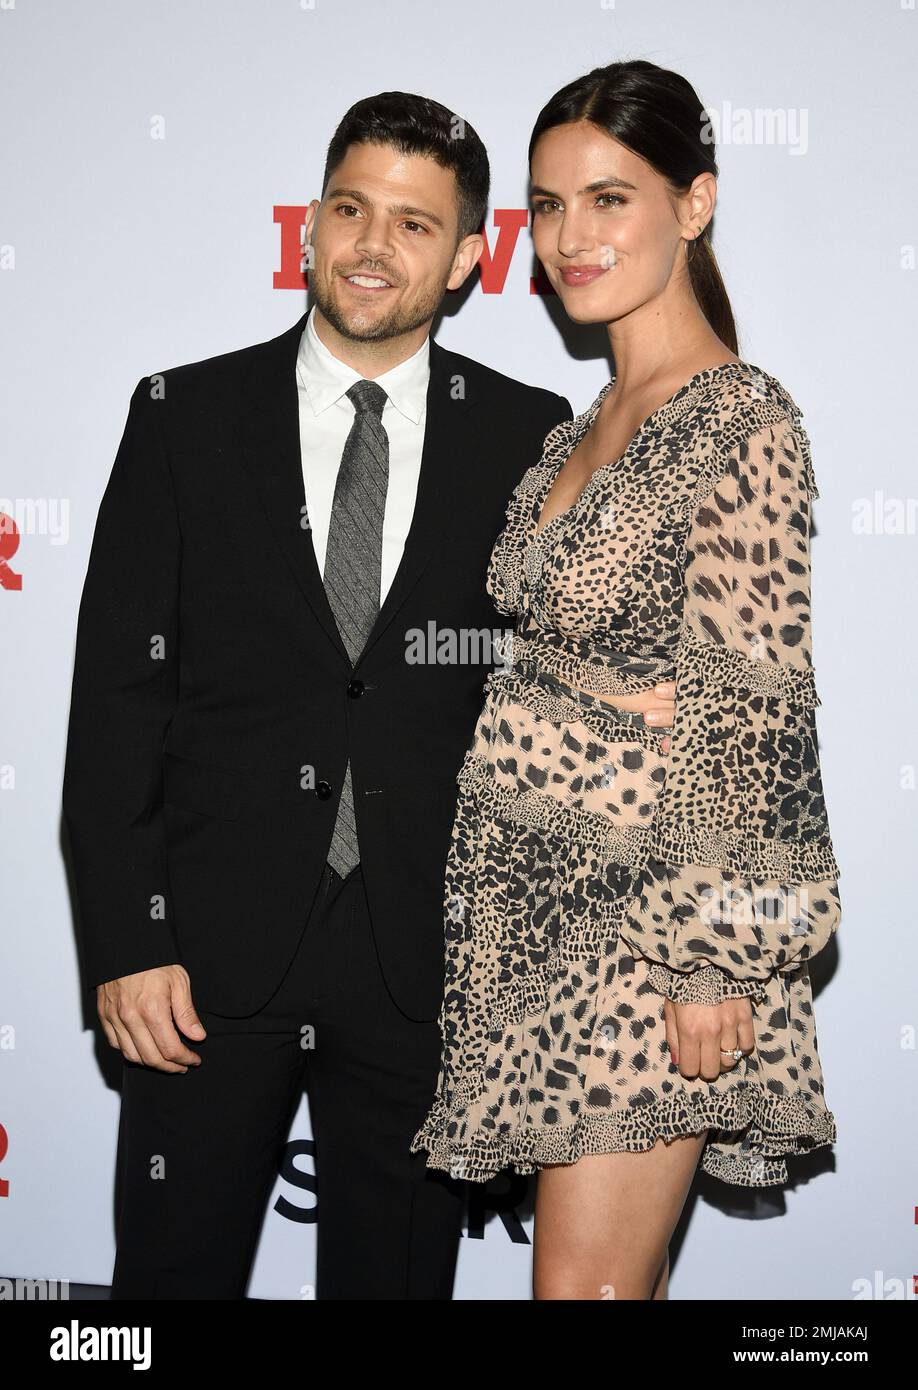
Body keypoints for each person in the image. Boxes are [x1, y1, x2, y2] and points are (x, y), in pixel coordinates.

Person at [62, 90, 678, 1300]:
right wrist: (128, 941)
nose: (369, 246)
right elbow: (116, 702)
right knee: (168, 1284)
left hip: (426, 962)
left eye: (412, 223)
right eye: (349, 208)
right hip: (203, 963)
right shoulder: (182, 418)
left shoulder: (530, 434)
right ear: (309, 225)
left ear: (465, 260)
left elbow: (544, 715)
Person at [410, 59, 842, 1301]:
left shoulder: (739, 417)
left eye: (610, 198)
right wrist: (579, 706)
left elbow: (752, 715)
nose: (570, 238)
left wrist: (715, 960)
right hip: (529, 911)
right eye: (547, 207)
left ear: (693, 205)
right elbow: (563, 664)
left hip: (650, 928)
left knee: (583, 1291)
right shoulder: (578, 426)